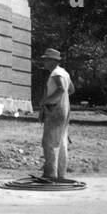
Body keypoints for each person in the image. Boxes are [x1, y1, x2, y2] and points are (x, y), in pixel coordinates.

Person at [36, 48, 73, 182]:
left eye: (46, 60)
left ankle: (50, 174)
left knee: (50, 142)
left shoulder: (56, 73)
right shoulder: (65, 73)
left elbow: (61, 89)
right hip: (65, 111)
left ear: (53, 61)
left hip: (55, 111)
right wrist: (62, 100)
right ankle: (61, 174)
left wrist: (46, 101)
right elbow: (71, 89)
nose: (44, 62)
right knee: (61, 142)